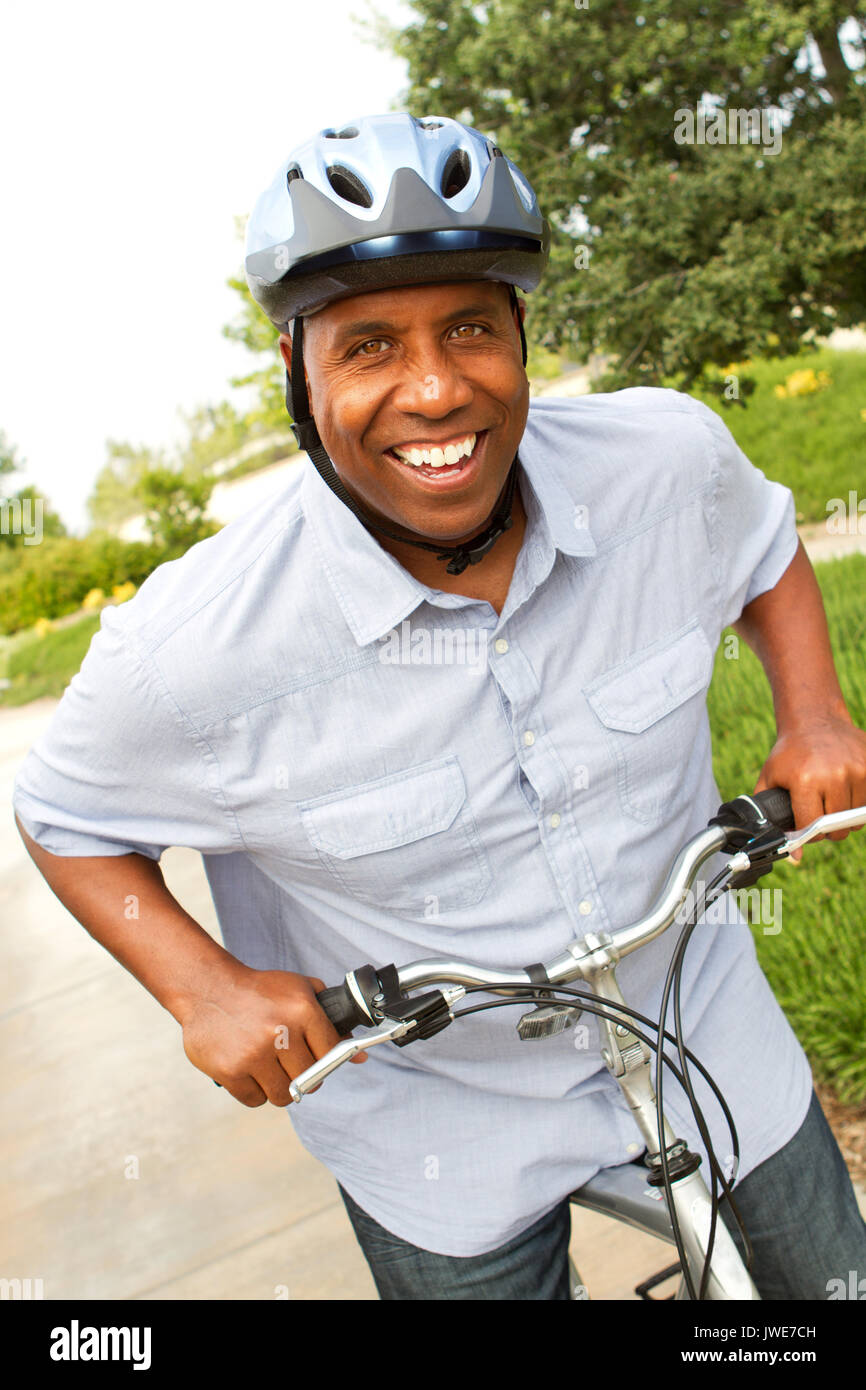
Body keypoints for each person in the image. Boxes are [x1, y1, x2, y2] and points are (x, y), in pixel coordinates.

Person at [13, 112, 866, 1301]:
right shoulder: (188, 647)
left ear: (520, 334)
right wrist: (201, 987)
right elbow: (64, 812)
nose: (432, 386)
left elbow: (763, 545)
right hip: (433, 1124)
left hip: (706, 1021)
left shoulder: (663, 462)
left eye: (470, 326)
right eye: (366, 345)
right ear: (294, 375)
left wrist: (814, 714)